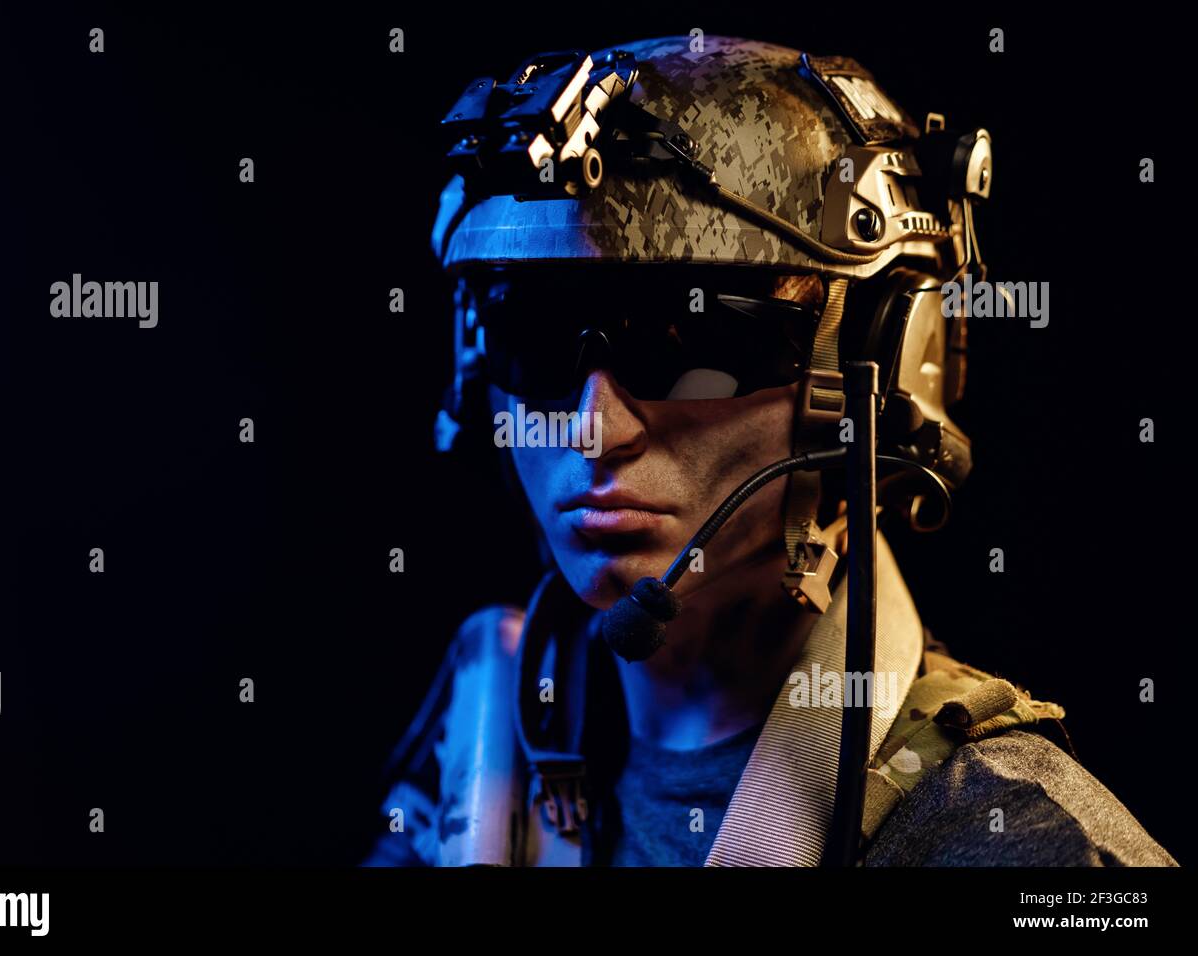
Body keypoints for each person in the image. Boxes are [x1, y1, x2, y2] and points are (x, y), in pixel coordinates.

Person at [363, 34, 1177, 867]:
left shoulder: (1020, 845)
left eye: (693, 346)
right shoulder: (481, 737)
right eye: (531, 339)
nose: (593, 428)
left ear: (878, 377)